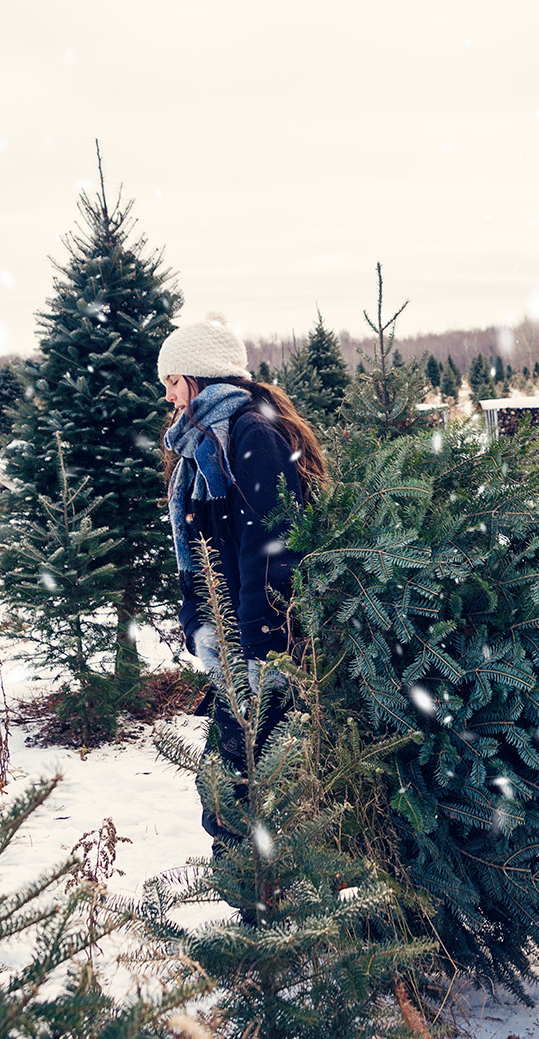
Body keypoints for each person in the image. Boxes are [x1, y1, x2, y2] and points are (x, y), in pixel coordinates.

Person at [159, 315, 328, 854]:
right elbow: (201, 549)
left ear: (198, 378)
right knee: (228, 788)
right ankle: (253, 912)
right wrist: (200, 623)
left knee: (246, 790)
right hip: (237, 644)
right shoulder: (203, 444)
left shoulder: (253, 432)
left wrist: (264, 652)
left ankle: (269, 913)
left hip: (265, 648)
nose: (169, 397)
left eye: (172, 382)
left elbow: (273, 546)